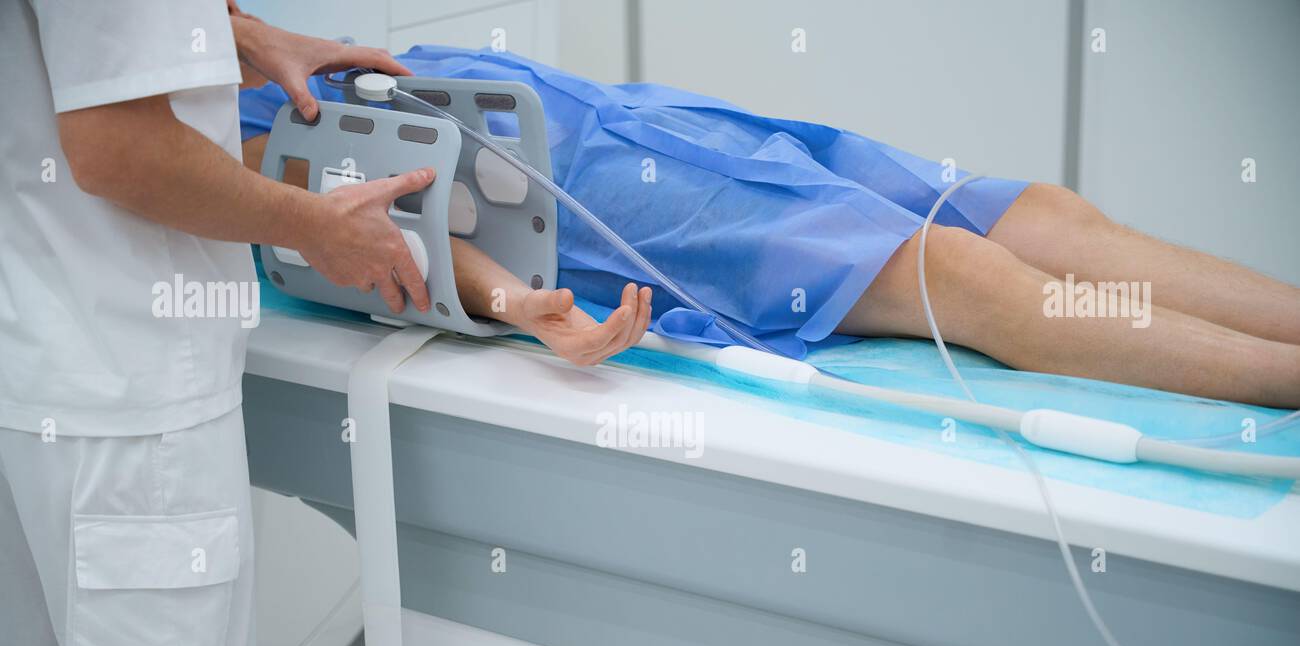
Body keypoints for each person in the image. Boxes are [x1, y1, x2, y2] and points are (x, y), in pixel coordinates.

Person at [0, 0, 653, 646]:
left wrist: (236, 32)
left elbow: (81, 40)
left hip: (38, 357)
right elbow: (120, 145)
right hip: (128, 392)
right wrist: (319, 228)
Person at [240, 45, 1300, 408]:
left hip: (612, 114)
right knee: (962, 277)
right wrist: (513, 303)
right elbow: (361, 218)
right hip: (586, 198)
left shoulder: (224, 33)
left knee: (1040, 215)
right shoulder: (190, 109)